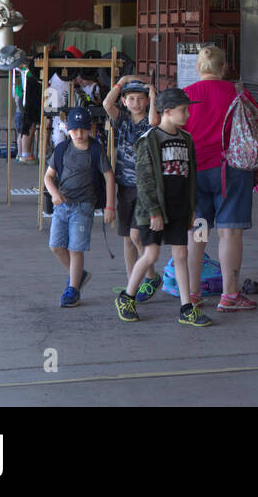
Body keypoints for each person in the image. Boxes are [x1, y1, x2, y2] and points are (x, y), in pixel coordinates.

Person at [116, 88, 211, 327]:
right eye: (184, 110)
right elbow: (145, 178)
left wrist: (191, 209)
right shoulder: (149, 139)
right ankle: (127, 297)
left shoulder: (186, 139)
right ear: (167, 112)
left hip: (180, 207)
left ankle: (186, 307)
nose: (188, 115)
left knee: (181, 254)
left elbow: (191, 177)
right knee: (151, 254)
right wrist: (154, 212)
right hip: (154, 210)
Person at [182, 44, 258, 312]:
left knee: (199, 232)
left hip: (195, 173)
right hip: (231, 172)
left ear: (198, 68)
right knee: (229, 233)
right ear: (224, 67)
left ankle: (192, 293)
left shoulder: (186, 95)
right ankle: (229, 295)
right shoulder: (238, 93)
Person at [44, 106, 115, 308]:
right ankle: (79, 274)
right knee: (56, 246)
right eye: (75, 130)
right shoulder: (62, 149)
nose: (79, 134)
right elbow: (48, 176)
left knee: (76, 249)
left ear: (90, 128)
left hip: (84, 207)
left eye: (83, 129)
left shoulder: (95, 149)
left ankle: (73, 289)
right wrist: (54, 193)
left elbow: (108, 176)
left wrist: (110, 206)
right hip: (63, 205)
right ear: (67, 129)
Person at [104, 76, 160, 294]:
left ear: (146, 102)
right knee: (127, 237)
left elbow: (155, 121)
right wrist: (122, 81)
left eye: (141, 98)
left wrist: (154, 96)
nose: (136, 103)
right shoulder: (123, 120)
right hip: (125, 186)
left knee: (137, 235)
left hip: (145, 187)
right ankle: (132, 283)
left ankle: (150, 274)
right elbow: (107, 104)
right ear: (125, 101)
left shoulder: (150, 122)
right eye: (131, 98)